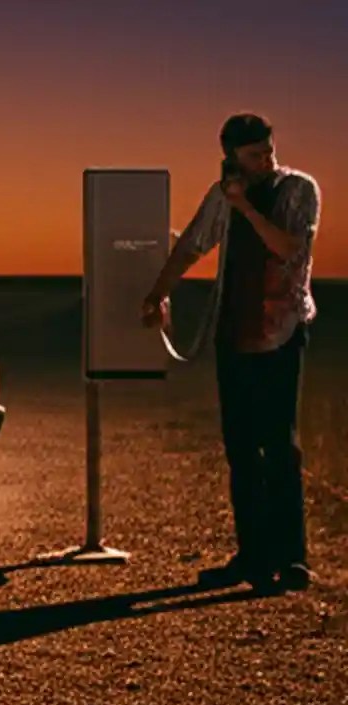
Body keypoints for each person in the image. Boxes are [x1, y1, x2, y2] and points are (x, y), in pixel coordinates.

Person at [141, 112, 321, 591]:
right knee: (241, 450)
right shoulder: (223, 197)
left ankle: (293, 557)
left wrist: (245, 208)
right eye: (253, 155)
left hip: (281, 332)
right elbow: (191, 246)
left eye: (268, 151)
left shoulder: (298, 190)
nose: (265, 161)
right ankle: (254, 556)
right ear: (232, 160)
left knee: (279, 445)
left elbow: (288, 250)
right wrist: (158, 292)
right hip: (234, 335)